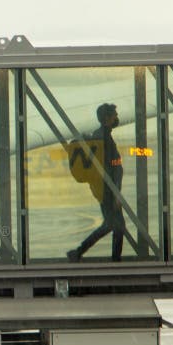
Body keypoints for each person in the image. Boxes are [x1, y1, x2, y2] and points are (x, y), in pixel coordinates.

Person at [67, 103, 125, 262]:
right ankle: (79, 252)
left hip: (108, 188)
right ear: (107, 118)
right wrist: (115, 194)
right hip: (108, 189)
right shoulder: (103, 137)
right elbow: (109, 167)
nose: (116, 118)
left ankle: (112, 258)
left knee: (115, 226)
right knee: (114, 225)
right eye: (114, 115)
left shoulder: (102, 134)